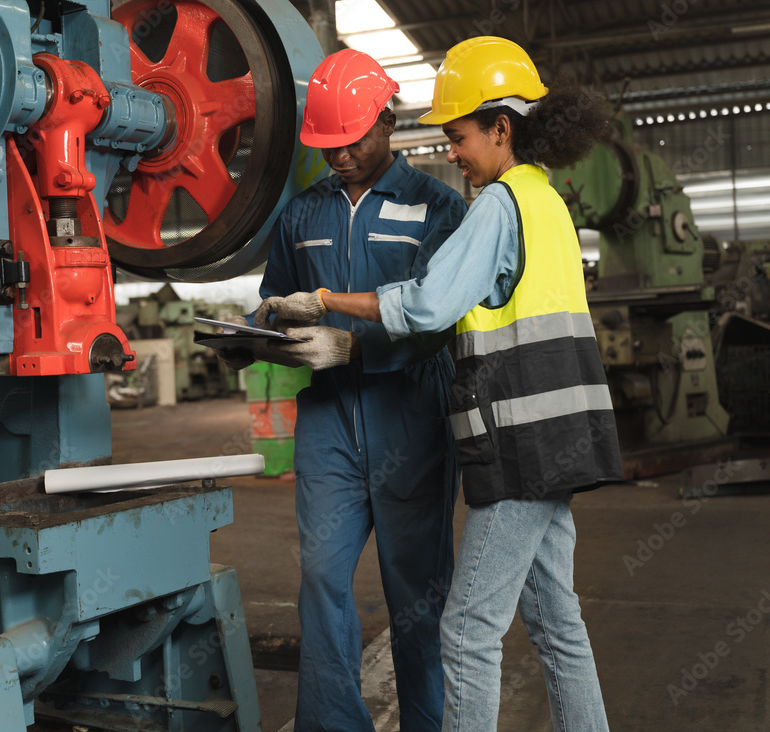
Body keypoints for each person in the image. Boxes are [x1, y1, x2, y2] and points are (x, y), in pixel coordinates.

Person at [255, 36, 622, 732]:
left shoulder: (487, 206)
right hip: (563, 435)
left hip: (514, 443)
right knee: (557, 623)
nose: (450, 152)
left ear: (500, 128)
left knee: (460, 629)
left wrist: (333, 306)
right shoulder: (542, 197)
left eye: (457, 136)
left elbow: (427, 306)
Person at [221, 48, 468, 731]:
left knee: (416, 595)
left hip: (409, 418)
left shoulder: (436, 209)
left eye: (352, 140)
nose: (340, 157)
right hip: (329, 422)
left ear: (386, 122)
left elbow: (440, 319)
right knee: (323, 580)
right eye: (327, 146)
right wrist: (249, 335)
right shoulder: (302, 215)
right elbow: (274, 299)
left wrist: (357, 345)